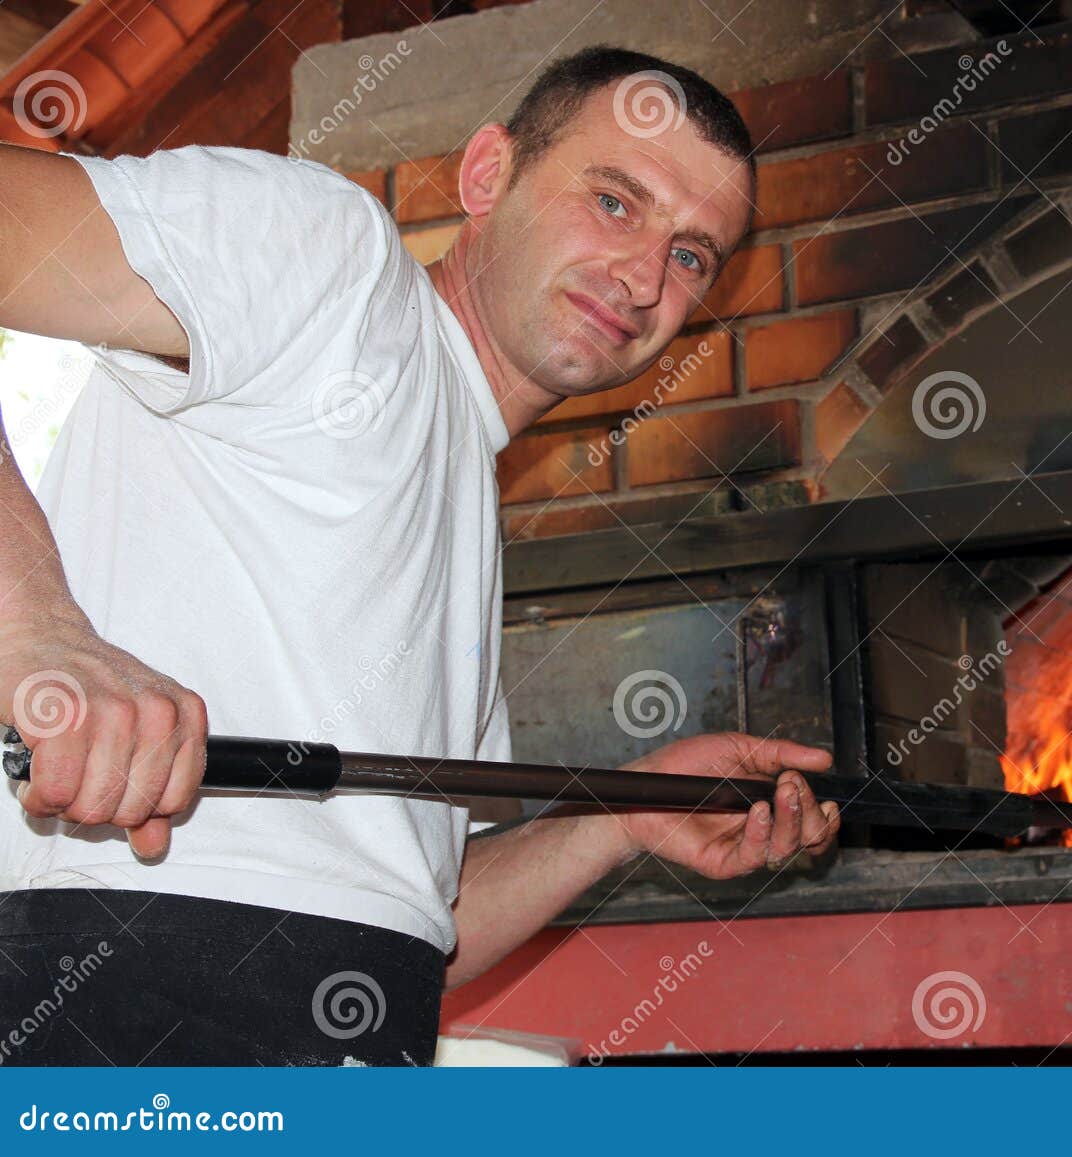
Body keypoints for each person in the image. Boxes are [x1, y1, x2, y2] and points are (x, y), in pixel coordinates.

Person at [0, 45, 840, 1066]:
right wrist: (35, 632)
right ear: (487, 175)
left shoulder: (460, 497)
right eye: (615, 201)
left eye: (693, 254)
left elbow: (411, 922)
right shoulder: (330, 261)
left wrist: (624, 815)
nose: (644, 276)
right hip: (115, 991)